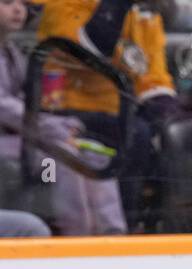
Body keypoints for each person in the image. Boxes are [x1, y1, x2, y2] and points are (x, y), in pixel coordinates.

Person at [37, 0, 179, 228]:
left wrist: (164, 110)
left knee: (171, 135)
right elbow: (86, 49)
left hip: (120, 110)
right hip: (64, 110)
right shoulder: (63, 3)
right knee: (137, 135)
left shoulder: (144, 12)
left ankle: (157, 226)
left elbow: (153, 72)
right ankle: (123, 226)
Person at [0, 0, 124, 233]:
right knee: (64, 155)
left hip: (23, 134)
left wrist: (59, 123)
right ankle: (77, 234)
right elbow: (4, 107)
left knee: (94, 152)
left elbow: (30, 100)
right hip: (9, 139)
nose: (18, 9)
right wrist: (49, 126)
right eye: (7, 2)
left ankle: (112, 232)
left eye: (22, 3)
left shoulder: (12, 51)